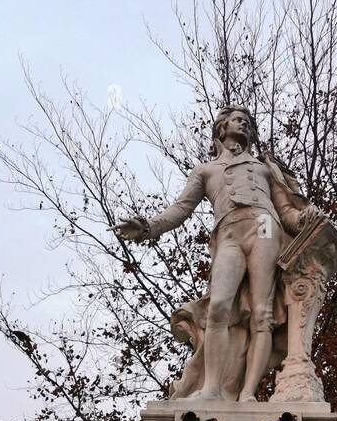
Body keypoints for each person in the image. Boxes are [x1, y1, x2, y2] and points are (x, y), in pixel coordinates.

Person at [116, 106, 316, 401]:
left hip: (263, 226)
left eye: (248, 123)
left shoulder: (263, 168)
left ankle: (248, 393)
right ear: (222, 128)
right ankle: (211, 388)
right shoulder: (205, 171)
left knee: (262, 313)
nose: (245, 125)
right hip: (229, 233)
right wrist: (149, 227)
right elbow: (181, 208)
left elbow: (285, 212)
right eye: (238, 121)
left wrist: (304, 219)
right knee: (219, 307)